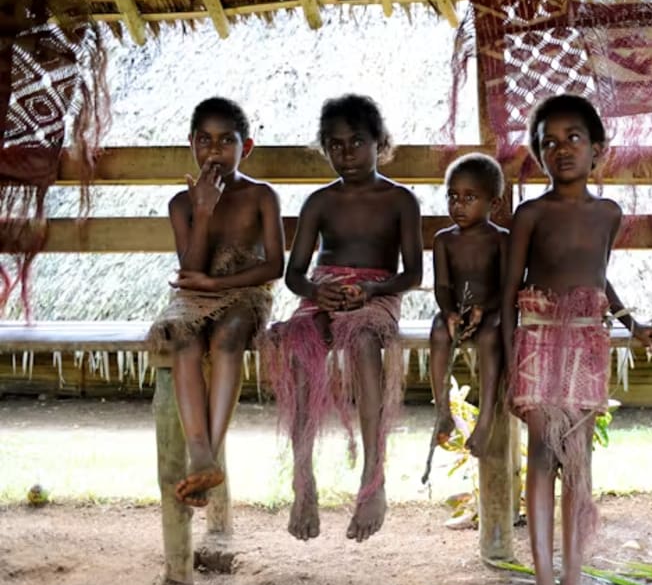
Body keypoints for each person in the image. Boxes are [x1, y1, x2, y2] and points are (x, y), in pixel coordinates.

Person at [502, 94, 652, 585]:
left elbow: (596, 276)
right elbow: (509, 294)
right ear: (539, 156)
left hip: (587, 341)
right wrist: (508, 367)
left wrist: (629, 320)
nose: (562, 149)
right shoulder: (530, 214)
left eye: (574, 138)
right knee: (544, 456)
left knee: (579, 463)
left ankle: (574, 584)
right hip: (540, 340)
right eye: (549, 142)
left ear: (598, 149)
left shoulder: (608, 214)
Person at [260, 94, 422, 542]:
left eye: (356, 142)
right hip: (325, 290)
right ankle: (303, 477)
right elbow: (294, 274)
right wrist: (317, 291)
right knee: (298, 341)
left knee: (364, 339)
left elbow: (412, 274)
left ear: (379, 142)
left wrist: (371, 290)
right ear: (324, 148)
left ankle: (373, 478)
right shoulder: (319, 202)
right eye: (335, 145)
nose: (346, 153)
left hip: (376, 295)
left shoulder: (400, 200)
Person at [147, 97, 285, 507]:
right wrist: (203, 212)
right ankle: (200, 453)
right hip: (193, 297)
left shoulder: (262, 196)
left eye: (226, 141)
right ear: (191, 143)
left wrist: (215, 282)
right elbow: (190, 271)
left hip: (246, 292)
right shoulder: (181, 204)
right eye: (204, 140)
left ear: (247, 147)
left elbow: (274, 266)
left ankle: (206, 455)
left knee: (227, 339)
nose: (213, 150)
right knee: (184, 341)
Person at [427, 153, 508, 466]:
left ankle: (485, 418)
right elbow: (443, 287)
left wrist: (481, 309)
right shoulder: (444, 241)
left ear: (494, 203)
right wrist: (449, 312)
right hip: (456, 311)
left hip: (493, 311)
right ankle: (443, 413)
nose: (458, 205)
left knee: (490, 338)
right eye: (453, 196)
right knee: (437, 333)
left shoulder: (501, 240)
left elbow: (506, 287)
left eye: (470, 197)